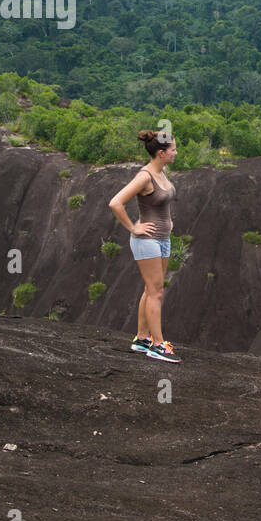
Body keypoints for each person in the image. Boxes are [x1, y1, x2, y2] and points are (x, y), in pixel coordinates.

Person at [108, 129, 181, 363]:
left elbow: (161, 202)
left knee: (151, 290)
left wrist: (168, 221)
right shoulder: (145, 176)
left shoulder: (161, 172)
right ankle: (157, 345)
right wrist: (133, 227)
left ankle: (141, 339)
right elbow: (115, 202)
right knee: (156, 292)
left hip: (162, 239)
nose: (175, 153)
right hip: (146, 240)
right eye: (172, 150)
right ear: (161, 153)